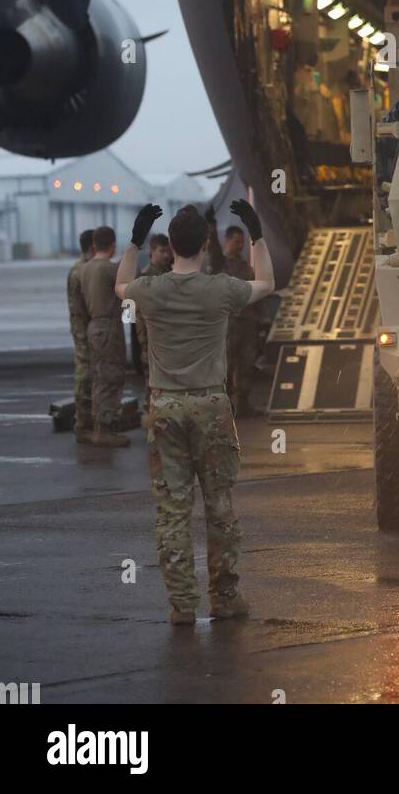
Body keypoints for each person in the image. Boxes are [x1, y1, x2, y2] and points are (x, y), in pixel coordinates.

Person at [116, 199, 275, 626]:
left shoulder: (151, 290)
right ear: (206, 243)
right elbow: (266, 283)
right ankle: (224, 597)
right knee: (219, 504)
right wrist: (257, 233)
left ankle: (182, 605)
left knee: (172, 509)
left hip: (164, 405)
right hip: (210, 404)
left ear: (171, 244)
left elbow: (120, 285)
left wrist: (133, 242)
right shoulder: (220, 289)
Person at [207, 211, 264, 417]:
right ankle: (224, 406)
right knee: (226, 367)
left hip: (247, 324)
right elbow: (213, 250)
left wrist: (260, 321)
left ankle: (244, 403)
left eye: (242, 242)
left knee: (246, 364)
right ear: (227, 241)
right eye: (237, 241)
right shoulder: (220, 264)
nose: (240, 246)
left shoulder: (245, 267)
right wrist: (212, 227)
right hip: (228, 326)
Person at [78, 226, 130, 447]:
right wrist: (132, 319)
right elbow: (127, 297)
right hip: (109, 326)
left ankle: (98, 424)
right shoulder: (111, 270)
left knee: (99, 377)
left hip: (93, 326)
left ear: (93, 245)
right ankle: (106, 428)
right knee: (112, 377)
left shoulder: (84, 269)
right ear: (113, 245)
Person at [67, 229, 95, 444]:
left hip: (88, 328)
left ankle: (89, 421)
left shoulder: (84, 269)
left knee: (92, 376)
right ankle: (82, 424)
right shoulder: (80, 271)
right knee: (84, 375)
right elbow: (78, 309)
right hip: (83, 329)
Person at [133, 234, 173, 385]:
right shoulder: (144, 277)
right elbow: (131, 313)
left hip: (168, 340)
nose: (166, 255)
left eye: (168, 251)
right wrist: (142, 342)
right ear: (152, 251)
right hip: (151, 341)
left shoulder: (169, 274)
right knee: (152, 386)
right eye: (162, 251)